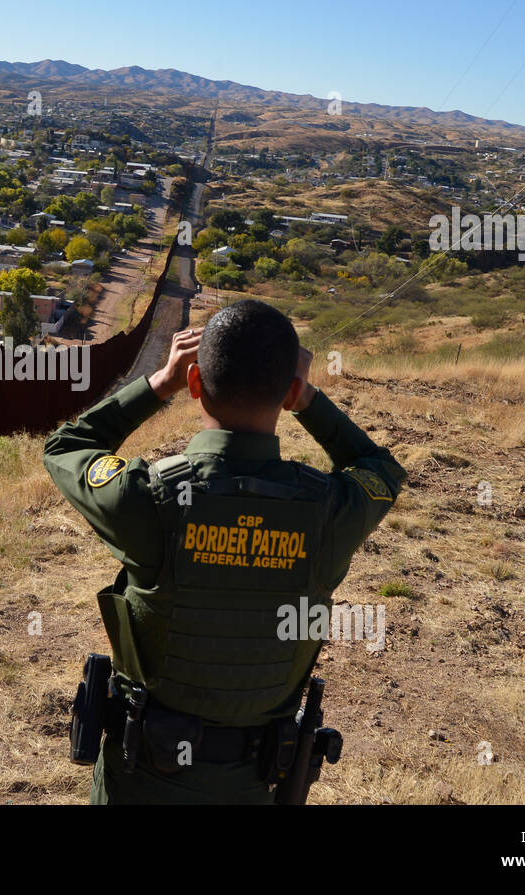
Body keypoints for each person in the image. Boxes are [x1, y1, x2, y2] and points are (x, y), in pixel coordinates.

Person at [43, 300, 406, 804]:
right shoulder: (328, 510)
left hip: (140, 778)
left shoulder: (146, 498)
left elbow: (66, 447)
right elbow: (382, 470)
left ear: (194, 383)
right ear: (287, 393)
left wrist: (157, 384)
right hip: (253, 784)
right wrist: (309, 401)